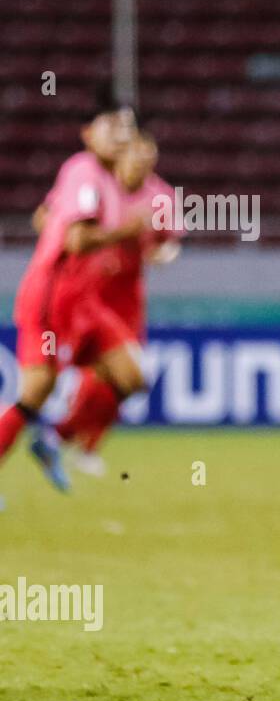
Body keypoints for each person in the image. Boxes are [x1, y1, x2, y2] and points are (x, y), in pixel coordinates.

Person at [0, 92, 150, 492]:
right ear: (87, 133)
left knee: (132, 376)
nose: (120, 137)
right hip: (53, 297)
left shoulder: (108, 180)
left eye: (126, 130)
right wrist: (126, 232)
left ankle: (53, 439)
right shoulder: (85, 172)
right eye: (111, 128)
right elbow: (78, 240)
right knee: (37, 389)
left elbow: (43, 215)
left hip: (85, 301)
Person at [54, 131, 181, 474]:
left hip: (127, 293)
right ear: (123, 157)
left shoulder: (162, 197)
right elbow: (65, 222)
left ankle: (79, 442)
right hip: (90, 291)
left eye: (148, 160)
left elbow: (170, 243)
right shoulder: (97, 184)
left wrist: (161, 254)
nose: (141, 166)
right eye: (136, 157)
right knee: (117, 374)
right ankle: (62, 435)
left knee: (119, 379)